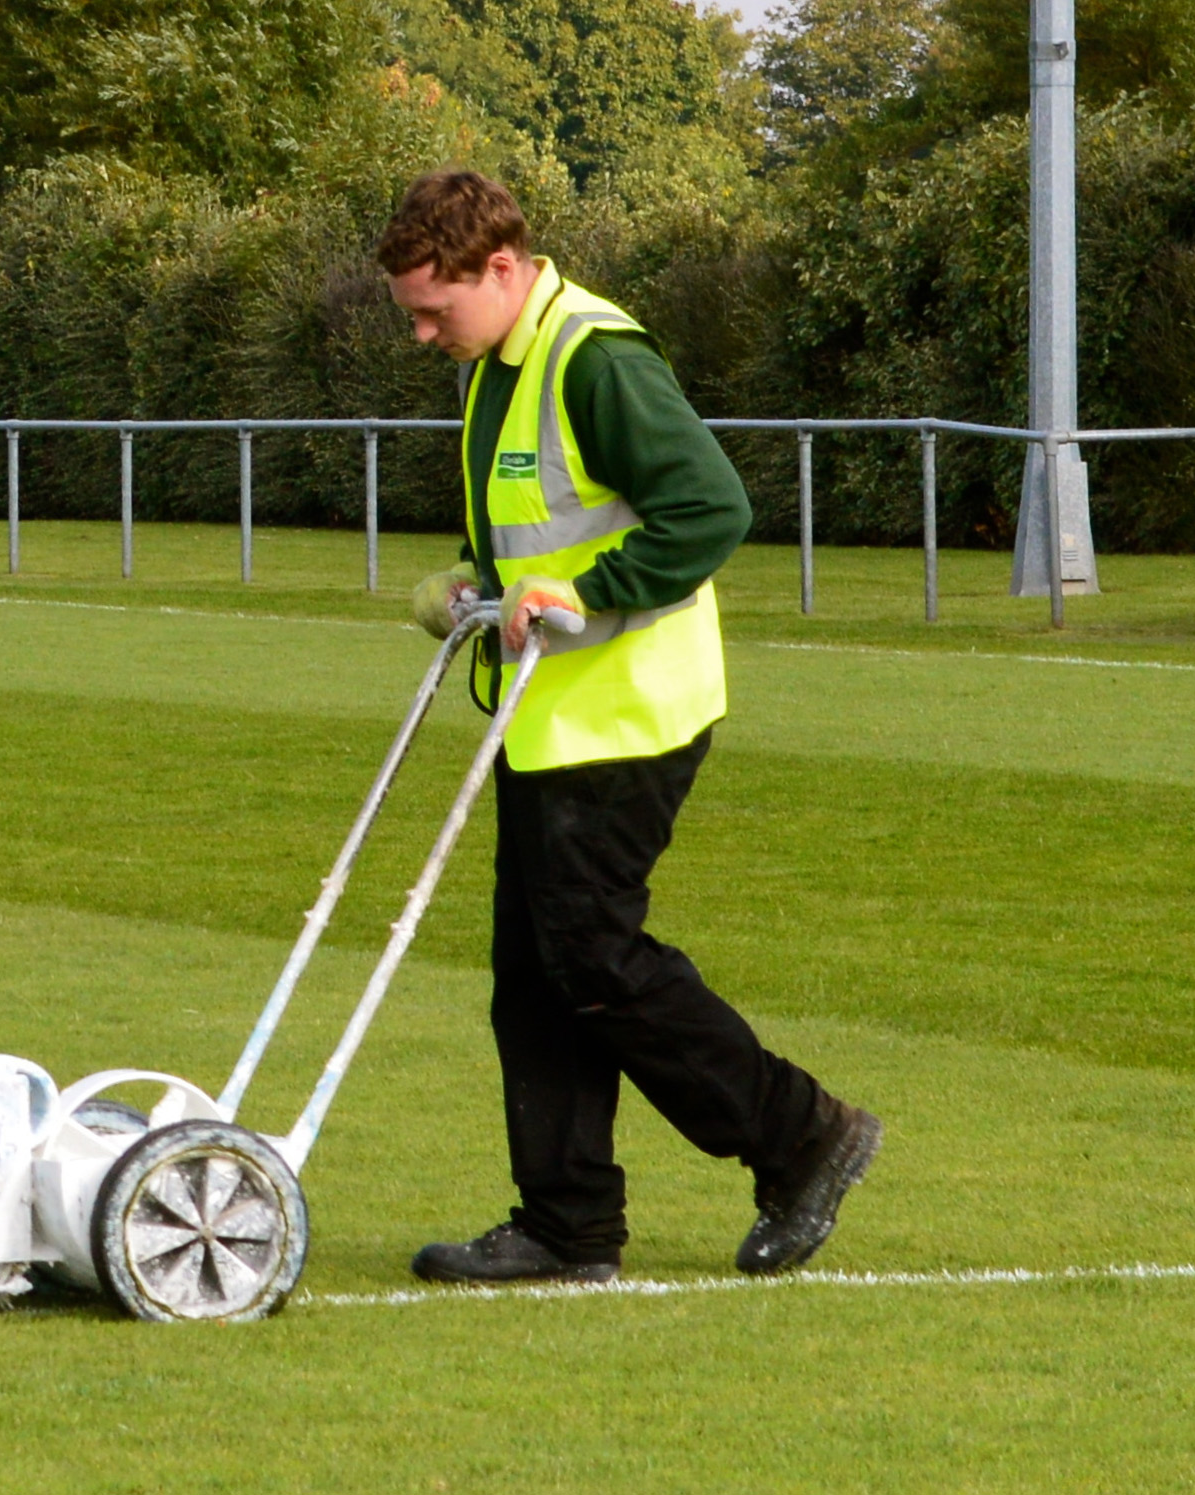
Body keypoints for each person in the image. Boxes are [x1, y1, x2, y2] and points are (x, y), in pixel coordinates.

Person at [379, 169, 881, 1283]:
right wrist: (474, 584)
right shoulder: (493, 364)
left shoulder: (594, 357)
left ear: (498, 268)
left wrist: (584, 593)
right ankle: (566, 1227)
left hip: (627, 713)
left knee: (593, 958)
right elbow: (535, 526)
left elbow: (710, 508)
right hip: (546, 716)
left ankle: (801, 1135)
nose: (421, 333)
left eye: (433, 309)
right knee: (535, 975)